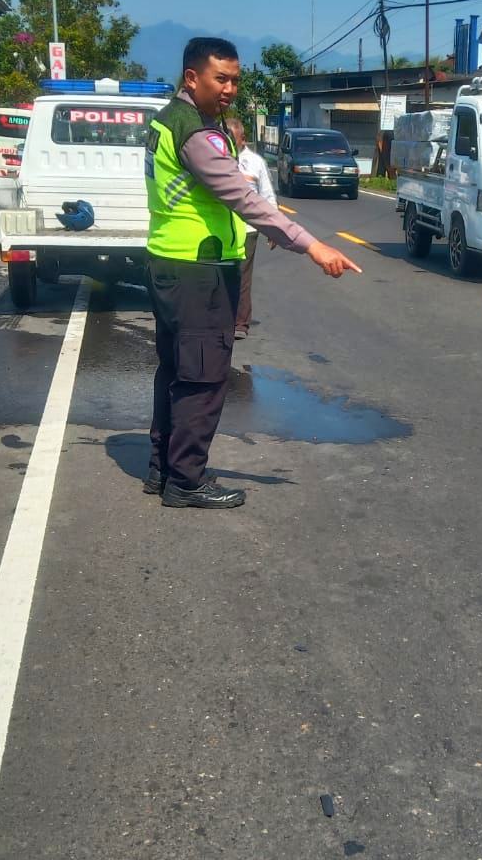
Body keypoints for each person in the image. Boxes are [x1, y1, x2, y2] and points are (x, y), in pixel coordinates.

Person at [145, 36, 361, 509]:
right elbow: (245, 200)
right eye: (220, 78)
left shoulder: (170, 121)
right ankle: (185, 481)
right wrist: (311, 245)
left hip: (170, 262)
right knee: (202, 378)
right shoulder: (194, 133)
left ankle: (163, 468)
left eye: (235, 80)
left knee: (177, 371)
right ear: (191, 78)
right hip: (197, 271)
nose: (229, 89)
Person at [226, 117, 272, 340]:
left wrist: (273, 229)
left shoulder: (255, 163)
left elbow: (267, 196)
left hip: (247, 229)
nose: (229, 143)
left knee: (242, 275)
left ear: (242, 139)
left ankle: (240, 323)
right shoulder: (216, 159)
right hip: (218, 227)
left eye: (232, 139)